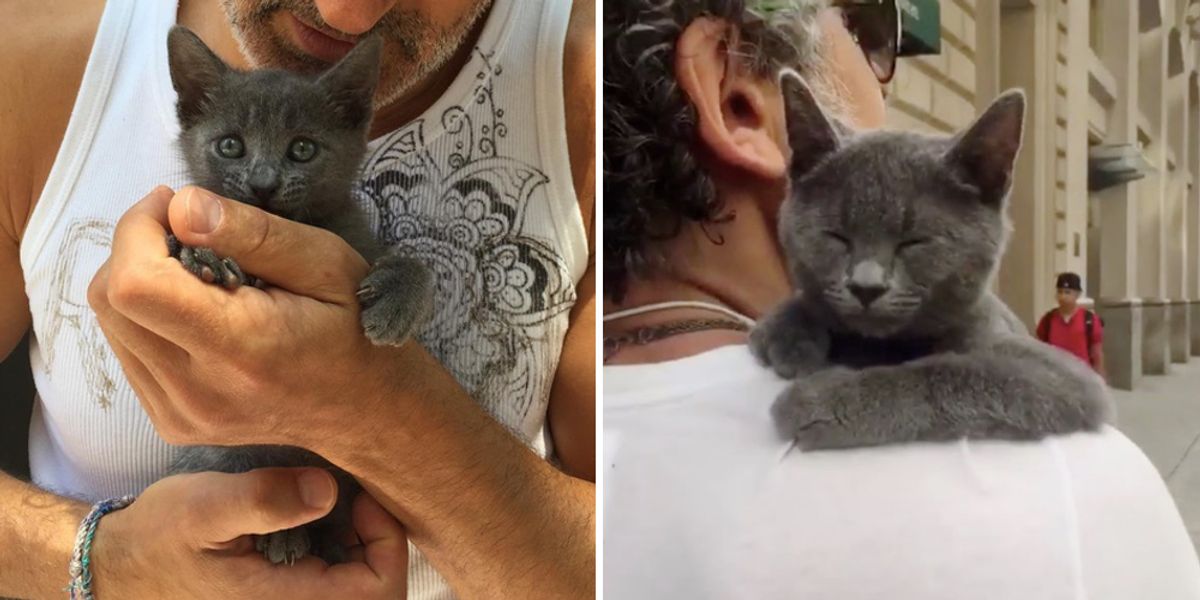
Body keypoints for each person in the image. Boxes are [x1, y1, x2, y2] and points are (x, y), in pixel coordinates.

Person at [603, 0, 1200, 597]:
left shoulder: (577, 432)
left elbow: (1069, 389)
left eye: (912, 243)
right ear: (741, 106)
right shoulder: (1070, 489)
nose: (883, 76)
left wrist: (880, 395)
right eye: (860, 27)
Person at [0, 0, 594, 598]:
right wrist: (111, 562)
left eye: (300, 151)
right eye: (233, 149)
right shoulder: (33, 55)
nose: (347, 14)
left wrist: (383, 398)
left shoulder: (597, 90)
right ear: (192, 106)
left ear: (353, 116)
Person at [1036, 272, 1107, 379]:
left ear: (1077, 294)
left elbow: (1096, 353)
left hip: (1082, 378)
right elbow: (1039, 350)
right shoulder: (1048, 320)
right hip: (1054, 377)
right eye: (1060, 292)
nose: (1062, 296)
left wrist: (1100, 378)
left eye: (1067, 292)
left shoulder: (1089, 320)